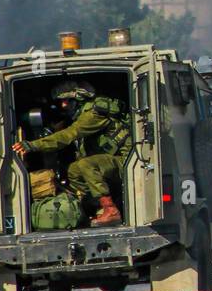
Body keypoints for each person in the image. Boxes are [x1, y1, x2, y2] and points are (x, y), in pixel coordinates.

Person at [12, 80, 131, 227]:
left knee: (86, 164)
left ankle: (111, 210)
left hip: (125, 162)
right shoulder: (82, 114)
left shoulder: (94, 114)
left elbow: (69, 135)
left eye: (65, 101)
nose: (63, 106)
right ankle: (98, 208)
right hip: (110, 163)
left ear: (78, 98)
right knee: (74, 170)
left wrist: (32, 145)